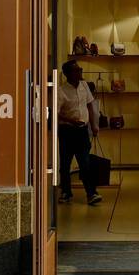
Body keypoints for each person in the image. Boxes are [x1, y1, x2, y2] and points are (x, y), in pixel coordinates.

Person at [58, 60, 102, 206]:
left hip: (82, 130)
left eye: (80, 69)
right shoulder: (61, 91)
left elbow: (90, 105)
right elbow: (56, 113)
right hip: (67, 131)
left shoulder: (84, 86)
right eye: (76, 70)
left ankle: (91, 193)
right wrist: (71, 120)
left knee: (85, 163)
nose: (79, 72)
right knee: (65, 164)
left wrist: (94, 125)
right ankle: (66, 192)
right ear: (67, 74)